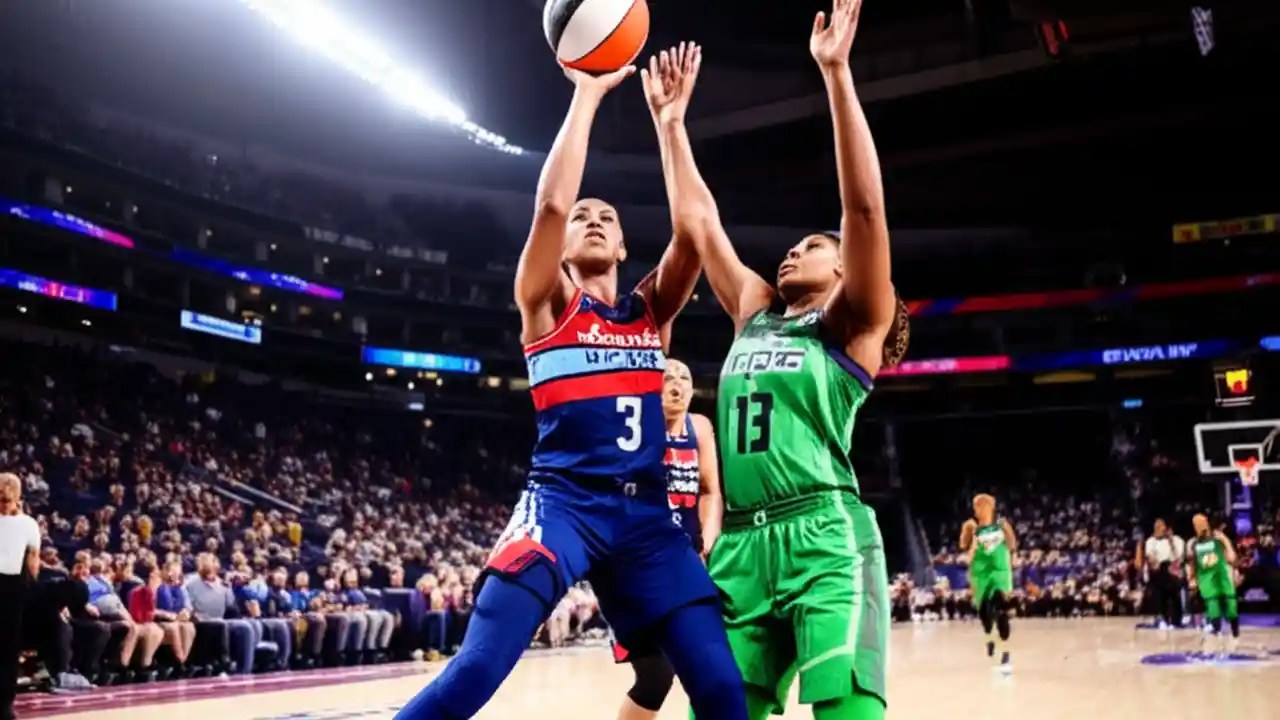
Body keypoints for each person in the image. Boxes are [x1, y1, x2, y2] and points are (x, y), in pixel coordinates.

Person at [394, 45, 745, 720]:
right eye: (585, 215)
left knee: (723, 691)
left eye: (606, 218)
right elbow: (551, 207)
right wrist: (588, 93)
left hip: (646, 520)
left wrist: (671, 126)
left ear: (621, 250)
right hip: (563, 504)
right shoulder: (548, 300)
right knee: (477, 671)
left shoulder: (649, 314)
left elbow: (695, 234)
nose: (591, 219)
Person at [652, 2, 910, 717]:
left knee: (846, 711)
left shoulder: (856, 323)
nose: (795, 249)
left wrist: (835, 73)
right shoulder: (755, 312)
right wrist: (671, 126)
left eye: (813, 246)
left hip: (824, 537)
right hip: (740, 546)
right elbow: (699, 224)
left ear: (842, 270)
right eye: (794, 244)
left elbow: (863, 213)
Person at [613, 358, 723, 720]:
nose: (677, 384)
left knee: (701, 668)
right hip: (638, 565)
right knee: (655, 673)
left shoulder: (701, 428)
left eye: (685, 377)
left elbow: (710, 492)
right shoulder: (634, 431)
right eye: (668, 377)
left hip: (685, 563)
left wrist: (706, 542)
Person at [959, 494, 1016, 674]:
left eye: (979, 506)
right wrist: (967, 534)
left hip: (999, 570)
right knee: (985, 612)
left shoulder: (1000, 522)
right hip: (980, 572)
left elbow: (1012, 542)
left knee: (1000, 608)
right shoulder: (972, 525)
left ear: (989, 506)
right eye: (975, 506)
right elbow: (963, 545)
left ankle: (1006, 652)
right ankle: (989, 637)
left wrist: (1009, 551)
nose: (976, 510)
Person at [0, 473, 40, 720]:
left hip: (12, 587)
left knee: (7, 647)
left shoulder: (28, 524)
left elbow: (33, 562)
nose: (2, 505)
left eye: (6, 500)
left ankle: (4, 702)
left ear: (17, 498)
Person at [1186, 514, 1239, 653]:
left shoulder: (1219, 538)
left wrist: (1225, 540)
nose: (1200, 527)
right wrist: (1192, 579)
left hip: (1223, 579)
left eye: (1201, 523)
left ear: (1207, 523)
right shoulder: (1194, 545)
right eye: (1196, 524)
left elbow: (1232, 558)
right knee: (1213, 611)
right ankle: (1217, 641)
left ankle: (1235, 636)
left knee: (1232, 610)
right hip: (1207, 582)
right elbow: (1193, 565)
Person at [1140, 518, 1185, 630]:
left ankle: (1176, 620)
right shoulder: (1151, 541)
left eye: (1161, 527)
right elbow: (1150, 557)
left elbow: (1178, 558)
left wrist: (1171, 542)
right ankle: (1162, 618)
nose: (1159, 530)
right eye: (1157, 527)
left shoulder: (1177, 540)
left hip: (1174, 570)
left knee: (1174, 589)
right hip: (1159, 571)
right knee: (1160, 588)